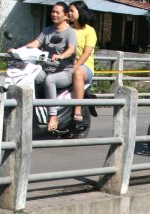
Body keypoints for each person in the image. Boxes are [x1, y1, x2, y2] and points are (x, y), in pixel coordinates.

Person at [10, 2, 77, 132]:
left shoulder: (70, 32)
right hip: (46, 69)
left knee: (49, 80)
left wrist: (62, 56)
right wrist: (17, 50)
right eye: (53, 12)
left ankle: (53, 116)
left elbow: (71, 49)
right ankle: (28, 109)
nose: (54, 14)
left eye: (58, 12)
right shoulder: (47, 30)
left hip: (64, 72)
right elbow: (35, 43)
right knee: (29, 74)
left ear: (66, 16)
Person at [67, 1, 97, 130]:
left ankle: (77, 110)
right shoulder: (67, 29)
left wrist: (76, 66)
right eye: (68, 11)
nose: (69, 13)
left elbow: (87, 53)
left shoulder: (89, 31)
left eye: (72, 11)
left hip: (85, 68)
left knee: (78, 72)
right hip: (67, 66)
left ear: (80, 12)